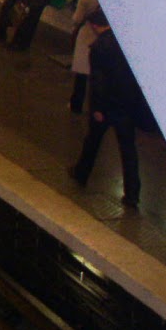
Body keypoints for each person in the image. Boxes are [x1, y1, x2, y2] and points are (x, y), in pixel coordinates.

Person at [70, 12, 146, 208]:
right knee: (128, 150)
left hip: (106, 106)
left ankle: (81, 172)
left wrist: (97, 108)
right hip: (127, 107)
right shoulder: (128, 42)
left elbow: (98, 82)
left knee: (92, 141)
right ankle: (132, 194)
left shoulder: (100, 48)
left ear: (95, 26)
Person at [67, 0, 100, 111]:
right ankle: (95, 109)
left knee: (81, 73)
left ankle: (76, 104)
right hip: (102, 39)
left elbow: (77, 18)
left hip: (86, 35)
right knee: (97, 76)